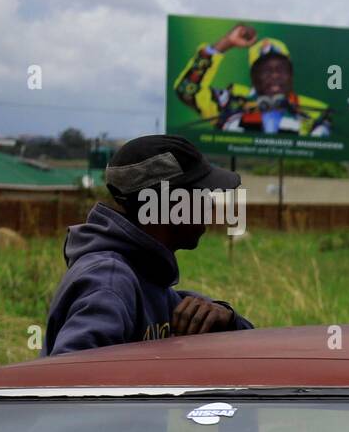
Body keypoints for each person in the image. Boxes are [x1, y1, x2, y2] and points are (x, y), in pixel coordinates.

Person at [43, 134, 254, 356]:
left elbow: (249, 342)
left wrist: (227, 318)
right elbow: (71, 381)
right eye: (203, 193)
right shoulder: (109, 282)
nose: (210, 205)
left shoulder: (151, 280)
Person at [173, 23, 331, 136]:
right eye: (265, 70)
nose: (274, 75)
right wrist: (226, 43)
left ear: (291, 74)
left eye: (280, 69)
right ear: (253, 76)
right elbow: (187, 89)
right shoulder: (229, 102)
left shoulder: (317, 112)